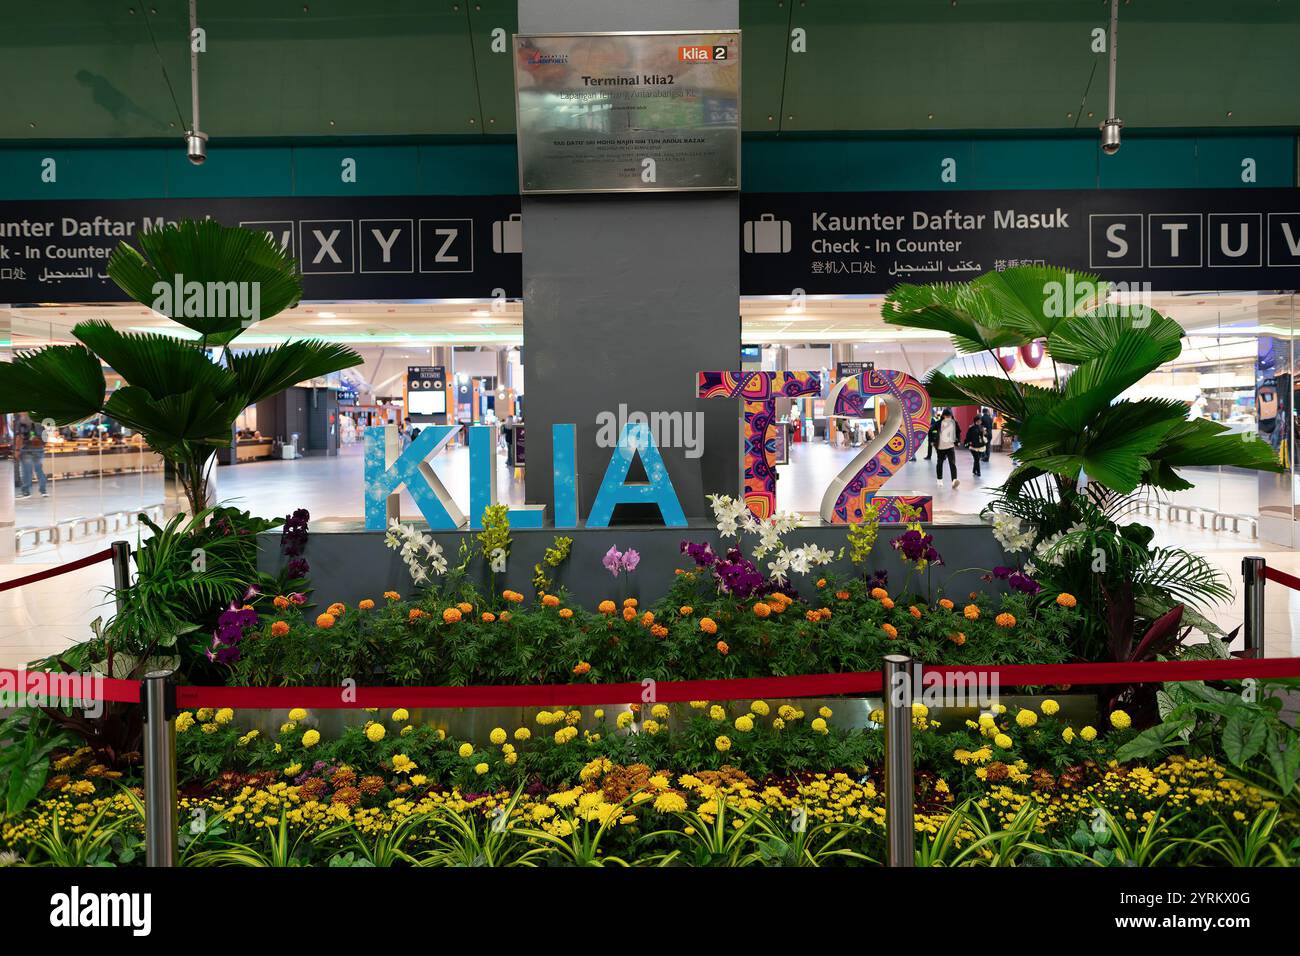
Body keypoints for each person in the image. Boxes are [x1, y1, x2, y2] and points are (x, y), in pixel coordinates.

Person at [14, 414, 48, 498]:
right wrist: (41, 445)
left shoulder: (21, 421)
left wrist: (17, 450)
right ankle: (43, 491)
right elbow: (45, 438)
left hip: (27, 450)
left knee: (26, 472)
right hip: (39, 450)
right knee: (39, 470)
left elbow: (19, 437)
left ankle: (26, 492)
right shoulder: (39, 422)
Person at [935, 409, 960, 488]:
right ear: (943, 416)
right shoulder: (939, 423)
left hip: (950, 447)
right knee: (939, 463)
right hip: (940, 447)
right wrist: (933, 441)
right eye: (947, 416)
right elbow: (931, 430)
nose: (948, 417)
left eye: (950, 416)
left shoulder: (954, 423)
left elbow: (959, 432)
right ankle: (939, 480)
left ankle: (954, 480)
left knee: (952, 464)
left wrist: (957, 441)